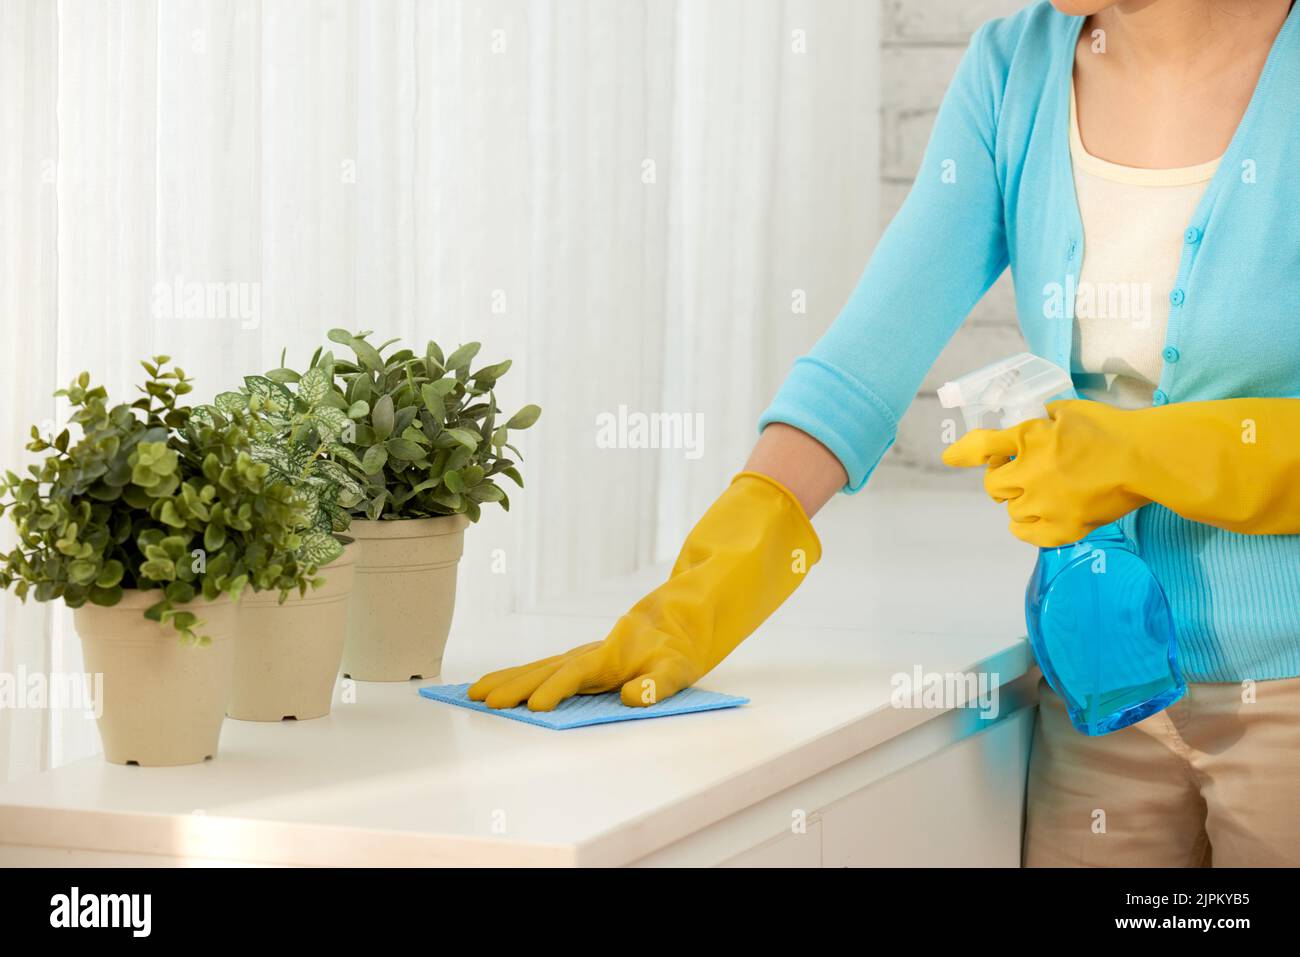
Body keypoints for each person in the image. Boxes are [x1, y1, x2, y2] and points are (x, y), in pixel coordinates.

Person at [471, 0, 1300, 866]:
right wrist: (699, 598)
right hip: (1098, 688)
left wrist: (1140, 456)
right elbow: (867, 360)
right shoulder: (1014, 70)